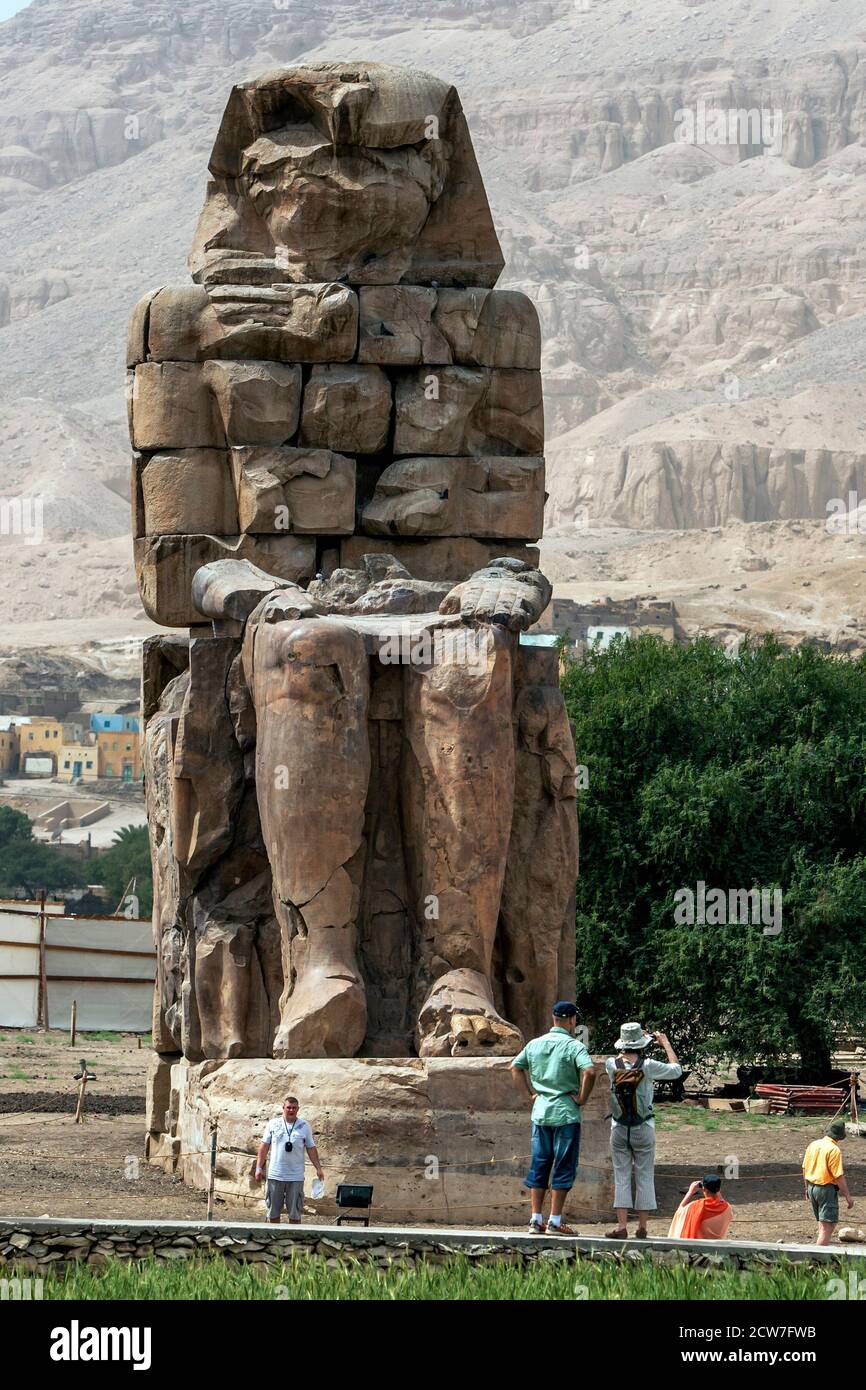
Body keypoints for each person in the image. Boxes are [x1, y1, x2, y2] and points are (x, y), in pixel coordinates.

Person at [510, 1001, 596, 1235]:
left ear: (553, 1019)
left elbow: (515, 1068)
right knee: (564, 1165)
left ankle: (535, 1220)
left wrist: (530, 1095)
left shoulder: (534, 1044)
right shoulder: (573, 1046)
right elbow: (589, 1071)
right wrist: (581, 1098)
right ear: (571, 1020)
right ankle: (555, 1221)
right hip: (566, 1113)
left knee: (540, 1163)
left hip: (541, 1112)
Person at [604, 1021, 682, 1239]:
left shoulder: (611, 1064)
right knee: (645, 1175)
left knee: (622, 1176)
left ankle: (621, 1227)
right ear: (642, 1043)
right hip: (643, 1126)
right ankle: (642, 1226)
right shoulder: (648, 1066)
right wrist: (665, 1044)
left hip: (619, 1127)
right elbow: (676, 1071)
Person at [254, 1094, 324, 1224]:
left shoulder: (304, 1126)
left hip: (295, 1176)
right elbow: (264, 1147)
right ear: (283, 1108)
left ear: (298, 1109)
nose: (291, 1110)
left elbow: (311, 1148)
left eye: (294, 1108)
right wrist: (258, 1167)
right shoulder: (273, 1124)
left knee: (295, 1212)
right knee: (273, 1212)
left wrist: (318, 1168)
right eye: (288, 1107)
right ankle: (274, 1240)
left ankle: (294, 1241)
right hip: (276, 1175)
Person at [802, 1118, 854, 1245]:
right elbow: (838, 1176)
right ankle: (818, 1257)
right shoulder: (834, 1150)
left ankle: (820, 1249)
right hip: (825, 1189)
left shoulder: (813, 1144)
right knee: (828, 1226)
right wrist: (847, 1196)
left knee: (822, 1222)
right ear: (840, 1136)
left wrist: (806, 1188)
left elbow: (804, 1168)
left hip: (811, 1187)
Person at [668, 1175, 733, 1240]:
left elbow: (679, 1212)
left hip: (698, 1247)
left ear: (704, 1189)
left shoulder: (695, 1206)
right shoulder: (727, 1208)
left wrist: (690, 1192)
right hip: (717, 1247)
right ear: (719, 1189)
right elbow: (722, 1200)